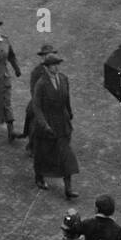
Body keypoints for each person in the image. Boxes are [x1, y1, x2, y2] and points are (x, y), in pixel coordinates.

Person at [29, 53, 80, 198]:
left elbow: (66, 98)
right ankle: (39, 177)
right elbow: (36, 107)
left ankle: (68, 188)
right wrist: (44, 124)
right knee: (44, 153)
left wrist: (69, 113)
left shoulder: (63, 79)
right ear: (47, 67)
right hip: (47, 124)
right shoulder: (41, 84)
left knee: (66, 155)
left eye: (58, 64)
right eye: (53, 65)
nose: (56, 67)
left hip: (62, 123)